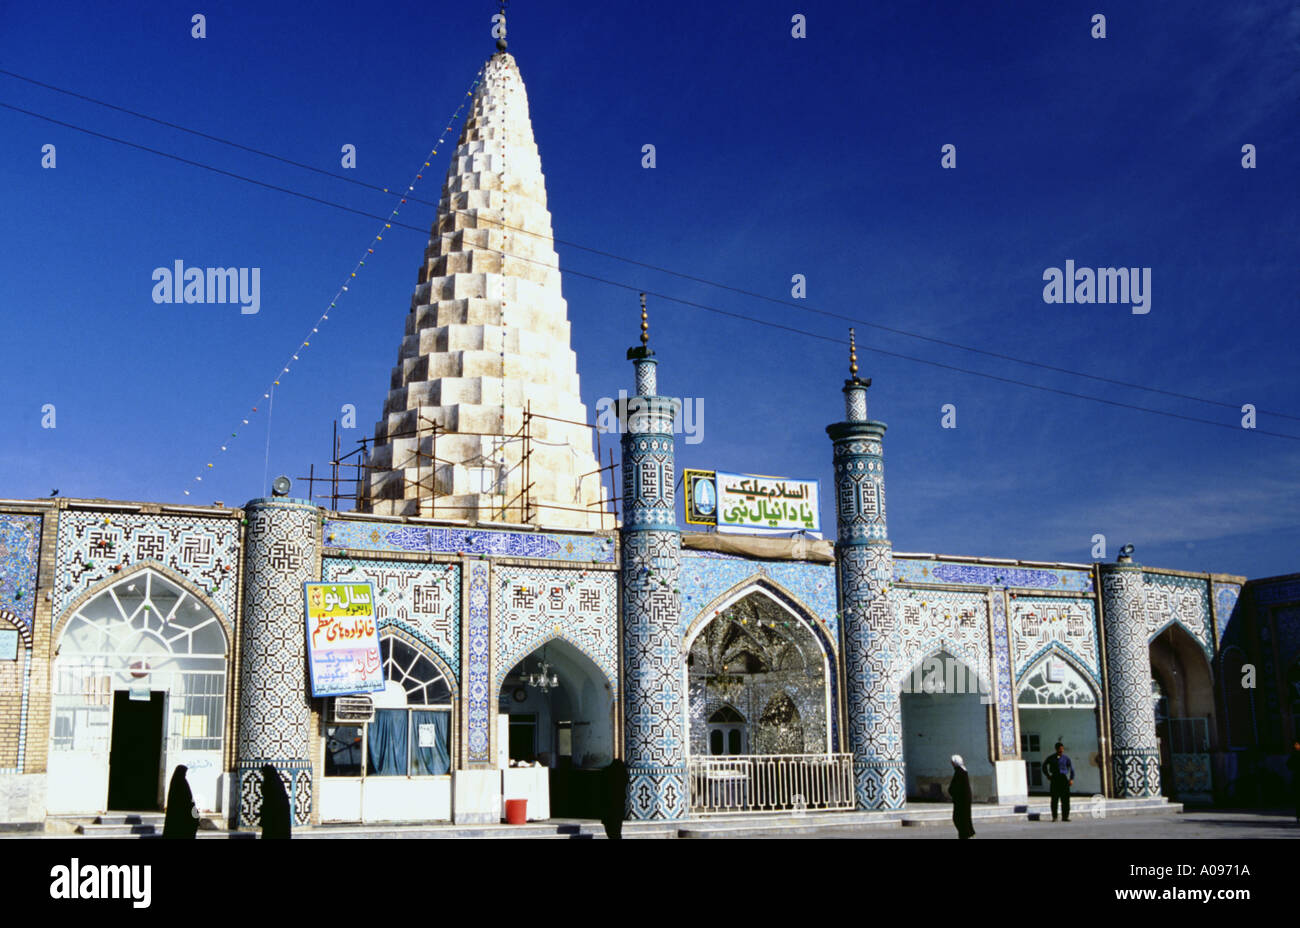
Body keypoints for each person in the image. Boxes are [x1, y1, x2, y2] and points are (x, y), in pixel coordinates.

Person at [161, 765, 199, 839]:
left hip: (178, 815)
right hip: (183, 815)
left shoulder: (175, 782)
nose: (185, 774)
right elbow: (188, 799)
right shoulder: (182, 782)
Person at [1043, 741, 1075, 822]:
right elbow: (1044, 766)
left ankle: (1065, 816)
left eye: (1062, 749)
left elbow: (1071, 769)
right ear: (1056, 749)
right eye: (1060, 749)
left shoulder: (1066, 758)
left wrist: (1071, 779)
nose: (1061, 751)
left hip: (1063, 779)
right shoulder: (1051, 758)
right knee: (1054, 799)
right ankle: (1055, 816)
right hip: (1055, 778)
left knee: (1065, 799)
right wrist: (1048, 775)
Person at [260, 764, 292, 839]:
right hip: (278, 817)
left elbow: (269, 799)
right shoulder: (277, 782)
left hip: (274, 817)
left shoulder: (271, 783)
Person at [602, 758, 630, 840]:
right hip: (618, 806)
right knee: (616, 829)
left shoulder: (607, 773)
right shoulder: (622, 775)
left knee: (611, 829)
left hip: (609, 806)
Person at [949, 754, 975, 839]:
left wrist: (952, 791)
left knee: (959, 818)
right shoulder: (961, 771)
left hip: (962, 801)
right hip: (963, 800)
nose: (951, 763)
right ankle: (966, 834)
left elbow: (957, 787)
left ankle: (965, 835)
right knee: (963, 819)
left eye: (952, 762)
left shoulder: (960, 772)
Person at [1287, 738, 1300, 824]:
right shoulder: (1295, 755)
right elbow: (1289, 764)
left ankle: (1298, 815)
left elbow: (1289, 765)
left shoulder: (1295, 754)